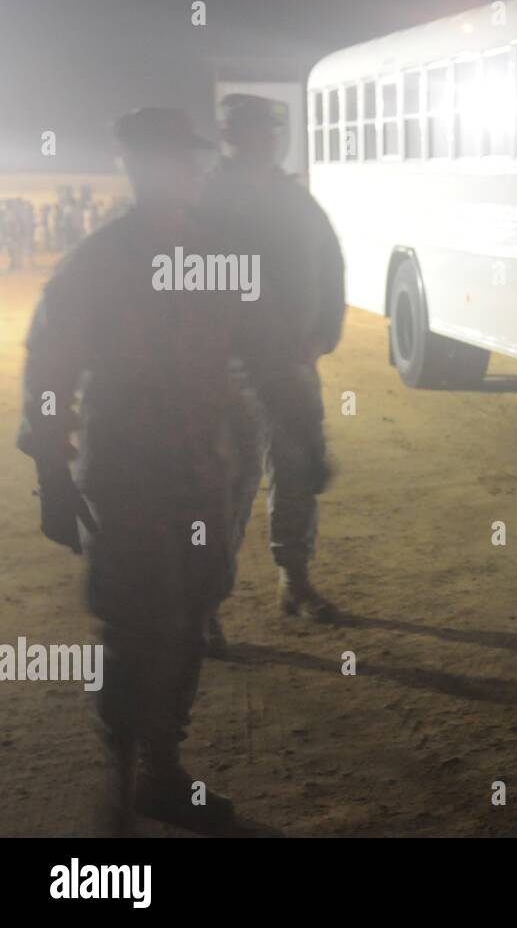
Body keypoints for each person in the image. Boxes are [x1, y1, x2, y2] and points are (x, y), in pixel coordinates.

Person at [17, 107, 325, 834]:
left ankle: (162, 770)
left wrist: (303, 434)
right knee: (131, 626)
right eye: (166, 161)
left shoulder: (217, 258)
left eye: (186, 161)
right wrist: (54, 475)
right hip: (127, 475)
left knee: (190, 611)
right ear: (137, 169)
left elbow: (268, 351)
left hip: (197, 473)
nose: (181, 173)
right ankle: (119, 794)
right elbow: (51, 373)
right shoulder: (98, 262)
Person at [200, 93, 346, 652]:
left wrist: (322, 332)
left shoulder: (294, 199)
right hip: (229, 368)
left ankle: (295, 580)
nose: (259, 139)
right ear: (230, 136)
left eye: (265, 130)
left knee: (297, 473)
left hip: (292, 360)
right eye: (247, 131)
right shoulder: (208, 200)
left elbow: (330, 264)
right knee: (228, 487)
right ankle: (206, 605)